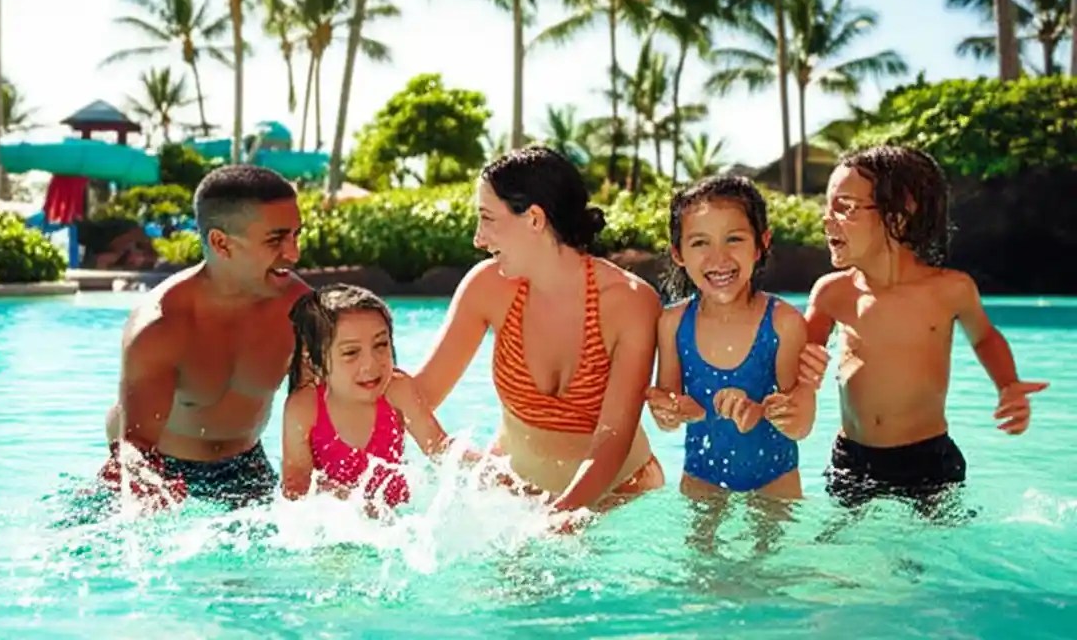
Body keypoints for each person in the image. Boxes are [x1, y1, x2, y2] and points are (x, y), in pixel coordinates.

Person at [407, 146, 665, 518]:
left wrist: (563, 516)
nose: (478, 239)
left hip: (621, 500)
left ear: (533, 219)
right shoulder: (487, 287)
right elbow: (420, 396)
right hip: (517, 498)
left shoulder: (629, 302)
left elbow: (613, 438)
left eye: (487, 218)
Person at [802, 145, 1047, 510]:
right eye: (828, 206)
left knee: (927, 560)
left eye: (845, 207)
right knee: (845, 554)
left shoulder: (949, 290)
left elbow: (984, 337)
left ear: (899, 216)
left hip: (928, 460)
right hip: (853, 458)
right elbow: (797, 356)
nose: (827, 220)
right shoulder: (833, 293)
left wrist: (1008, 385)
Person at [98, 164, 310, 510]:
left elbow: (325, 409)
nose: (293, 253)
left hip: (247, 467)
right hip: (161, 465)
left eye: (296, 235)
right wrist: (141, 477)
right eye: (276, 239)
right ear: (221, 243)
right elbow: (135, 444)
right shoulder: (160, 325)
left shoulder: (301, 313)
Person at [646, 176, 816, 501]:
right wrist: (673, 412)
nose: (718, 258)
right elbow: (668, 413)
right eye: (699, 243)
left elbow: (800, 426)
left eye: (734, 239)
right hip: (701, 479)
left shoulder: (783, 323)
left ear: (761, 244)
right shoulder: (672, 323)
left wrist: (762, 411)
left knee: (777, 554)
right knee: (697, 554)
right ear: (678, 253)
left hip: (775, 481)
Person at [280, 284, 463, 512]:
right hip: (335, 526)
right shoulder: (305, 407)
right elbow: (295, 485)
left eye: (380, 345)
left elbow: (441, 449)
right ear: (315, 362)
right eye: (351, 353)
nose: (371, 364)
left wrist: (491, 470)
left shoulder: (397, 391)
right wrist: (345, 502)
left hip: (394, 521)